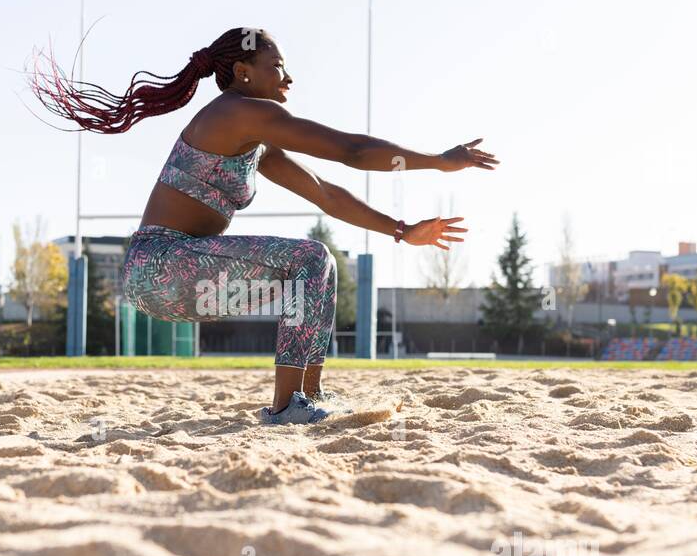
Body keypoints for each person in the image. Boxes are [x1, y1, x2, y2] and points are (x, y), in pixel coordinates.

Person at [29, 27, 498, 424]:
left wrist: (401, 229)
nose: (289, 77)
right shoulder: (239, 111)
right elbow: (350, 151)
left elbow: (327, 194)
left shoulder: (257, 140)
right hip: (160, 267)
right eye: (278, 66)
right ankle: (287, 405)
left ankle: (308, 399)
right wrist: (437, 161)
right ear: (243, 72)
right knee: (310, 258)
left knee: (321, 267)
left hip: (181, 277)